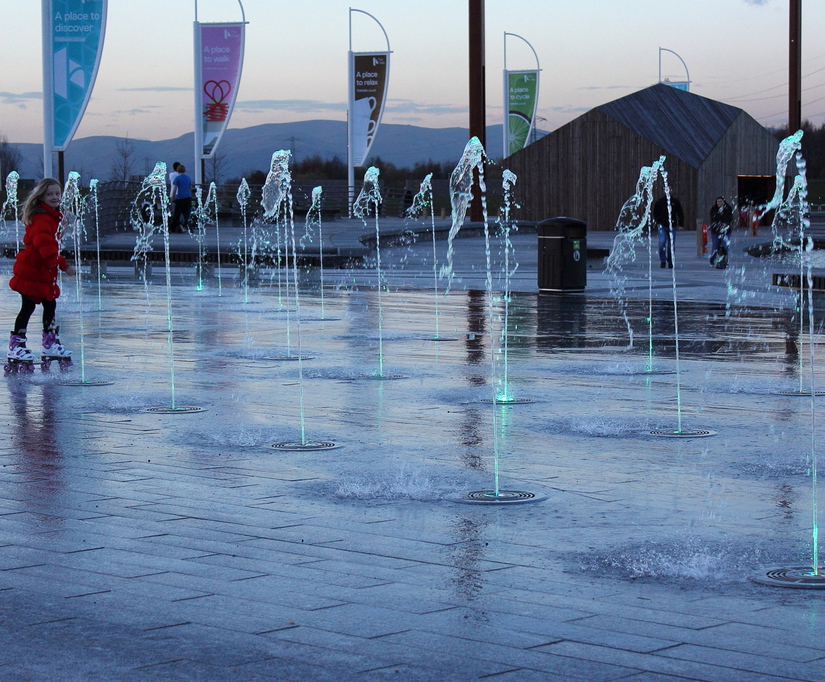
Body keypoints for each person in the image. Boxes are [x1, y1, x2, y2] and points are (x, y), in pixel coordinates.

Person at [7, 178, 76, 369]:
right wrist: (64, 265)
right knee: (28, 307)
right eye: (50, 194)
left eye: (57, 193)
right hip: (31, 272)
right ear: (41, 196)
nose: (55, 197)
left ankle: (49, 343)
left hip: (42, 272)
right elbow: (45, 247)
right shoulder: (41, 217)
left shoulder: (52, 215)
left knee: (50, 305)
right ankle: (16, 344)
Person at [652, 194, 684, 268]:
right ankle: (663, 260)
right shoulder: (660, 201)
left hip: (672, 226)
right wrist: (657, 221)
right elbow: (655, 212)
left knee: (671, 245)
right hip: (662, 225)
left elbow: (680, 213)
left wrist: (680, 225)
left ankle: (670, 261)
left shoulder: (675, 202)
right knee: (662, 242)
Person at [709, 196, 733, 269]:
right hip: (716, 231)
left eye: (721, 201)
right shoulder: (714, 209)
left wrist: (726, 224)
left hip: (726, 231)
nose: (719, 203)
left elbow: (730, 219)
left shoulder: (728, 209)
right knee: (715, 246)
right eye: (718, 202)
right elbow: (713, 219)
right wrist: (718, 224)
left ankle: (724, 261)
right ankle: (712, 261)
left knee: (725, 246)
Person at [169, 164, 192, 232]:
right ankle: (189, 227)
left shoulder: (177, 178)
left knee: (177, 214)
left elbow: (174, 189)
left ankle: (172, 228)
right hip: (188, 197)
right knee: (186, 214)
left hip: (180, 197)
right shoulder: (188, 178)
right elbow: (190, 188)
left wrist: (173, 198)